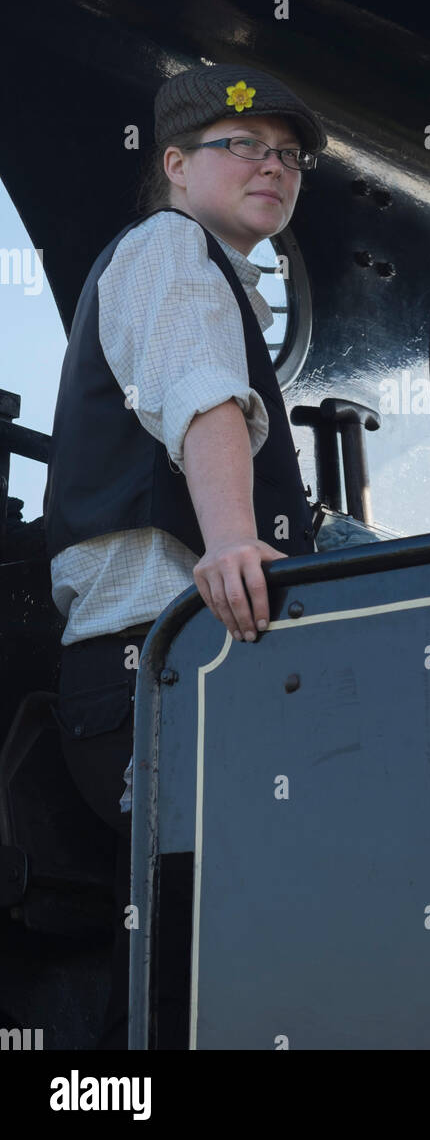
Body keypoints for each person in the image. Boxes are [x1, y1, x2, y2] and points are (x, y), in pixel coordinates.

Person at [42, 61, 327, 1047]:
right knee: (197, 925)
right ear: (172, 162)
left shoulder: (204, 271)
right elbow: (205, 398)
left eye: (287, 154)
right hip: (148, 667)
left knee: (199, 919)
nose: (272, 165)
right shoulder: (170, 248)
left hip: (167, 671)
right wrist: (236, 539)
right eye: (241, 144)